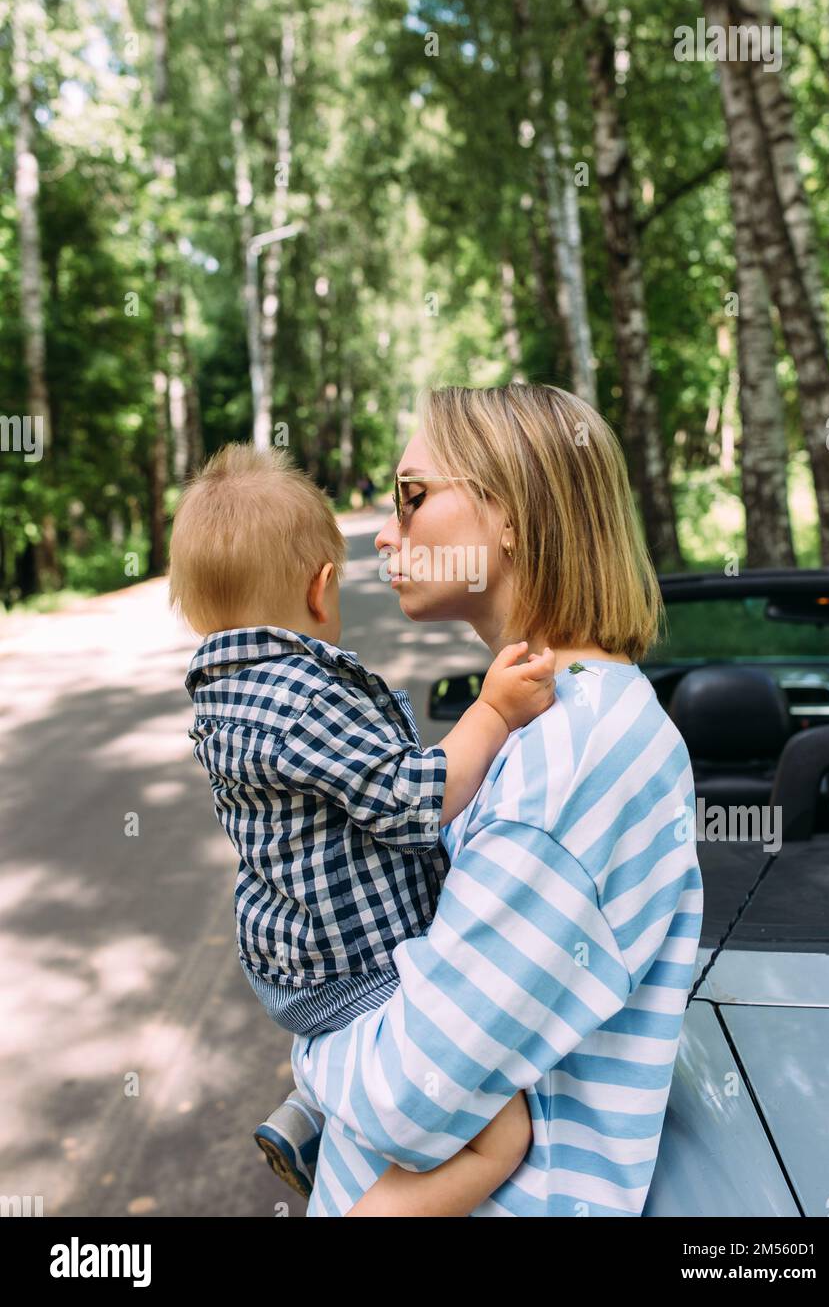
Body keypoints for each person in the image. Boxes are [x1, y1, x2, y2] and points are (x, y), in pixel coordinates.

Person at [260, 381, 703, 1216]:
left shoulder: (578, 753)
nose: (385, 537)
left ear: (512, 514)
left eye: (413, 497)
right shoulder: (541, 727)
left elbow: (408, 1092)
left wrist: (308, 1039)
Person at [169, 442, 556, 1213]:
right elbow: (414, 797)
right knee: (503, 1132)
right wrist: (492, 712)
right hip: (354, 968)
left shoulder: (220, 695)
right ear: (320, 589)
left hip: (291, 968)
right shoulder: (307, 698)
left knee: (345, 1040)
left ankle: (309, 1110)